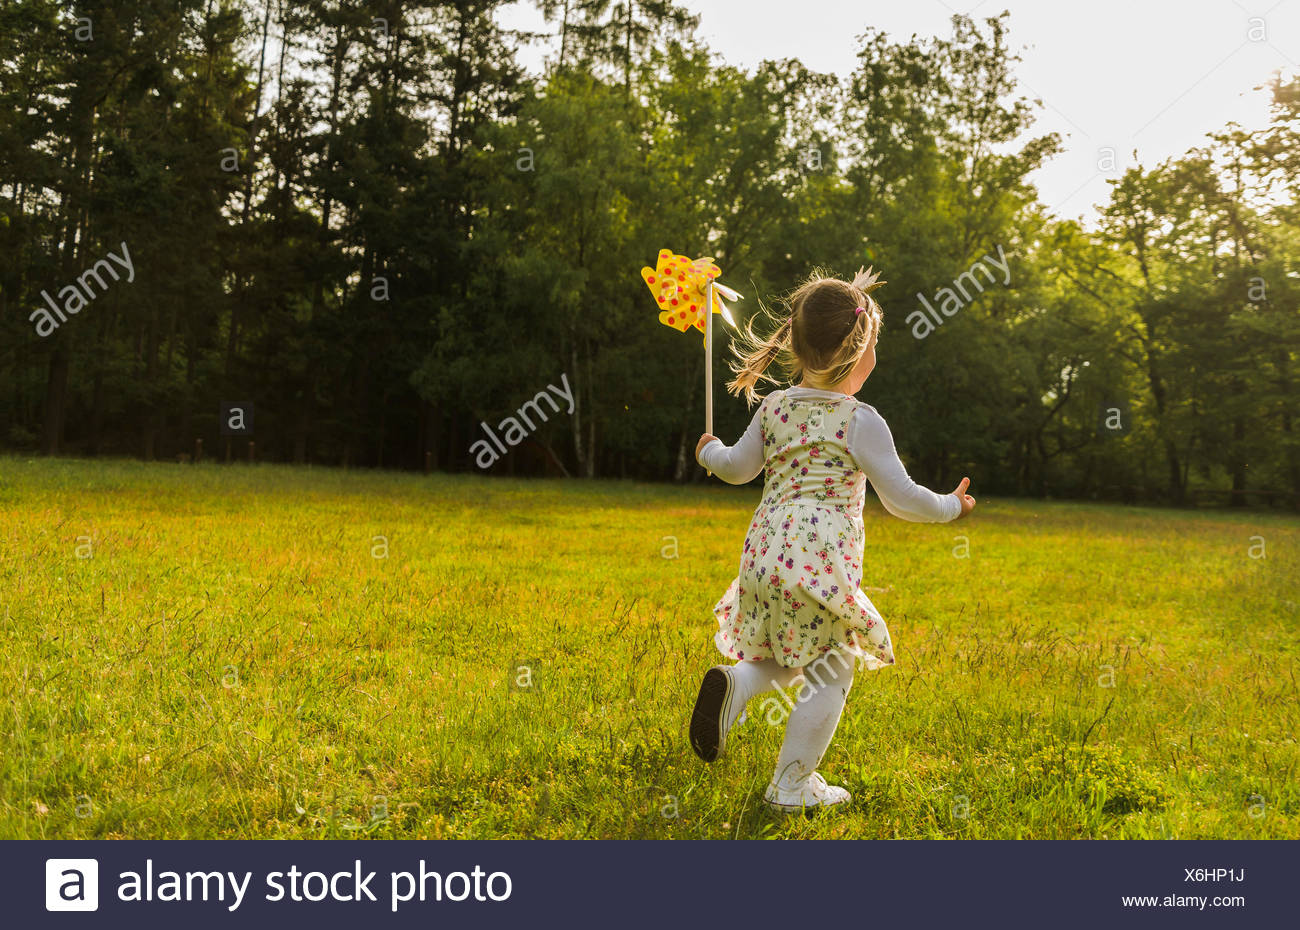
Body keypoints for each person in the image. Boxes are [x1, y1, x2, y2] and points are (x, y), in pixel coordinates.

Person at [689, 267, 976, 812]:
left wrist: (708, 450)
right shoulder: (860, 420)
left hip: (763, 556)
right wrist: (949, 507)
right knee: (832, 664)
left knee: (786, 651)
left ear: (795, 342)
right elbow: (902, 498)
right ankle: (791, 786)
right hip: (817, 561)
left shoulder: (773, 408)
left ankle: (737, 684)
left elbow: (735, 468)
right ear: (861, 348)